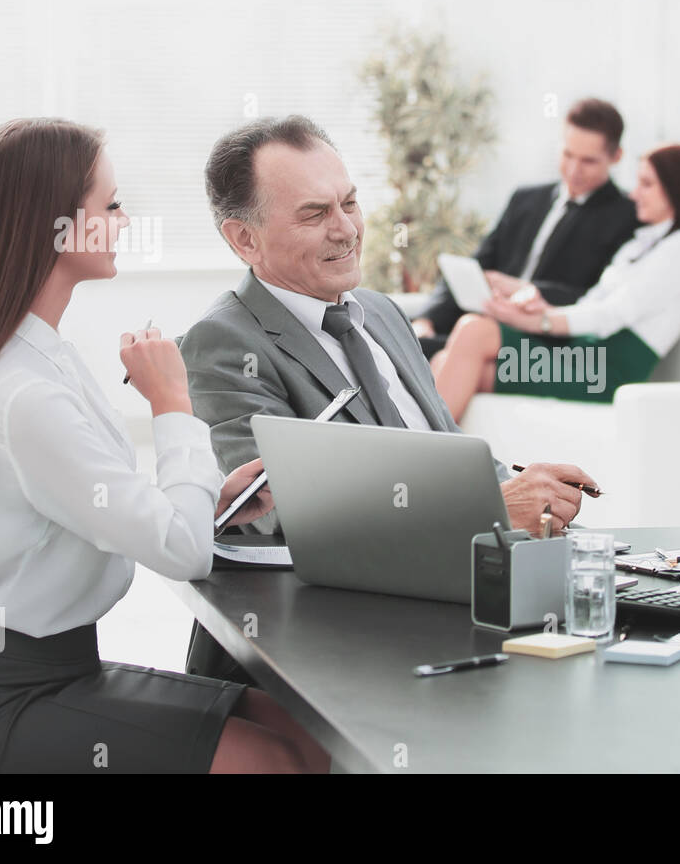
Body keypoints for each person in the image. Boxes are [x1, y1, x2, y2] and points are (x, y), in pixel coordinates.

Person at [0, 118, 329, 772]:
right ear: (59, 226)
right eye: (112, 204)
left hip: (57, 667)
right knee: (272, 762)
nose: (125, 220)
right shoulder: (25, 394)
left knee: (306, 737)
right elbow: (181, 554)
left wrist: (210, 500)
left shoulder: (43, 360)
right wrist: (172, 401)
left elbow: (108, 508)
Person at [179, 115, 597, 682]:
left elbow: (442, 448)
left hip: (448, 609)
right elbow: (279, 518)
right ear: (243, 238)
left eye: (349, 203)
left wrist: (530, 495)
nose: (346, 229)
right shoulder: (224, 342)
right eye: (314, 213)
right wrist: (493, 511)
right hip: (330, 650)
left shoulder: (380, 312)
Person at [430, 144, 680, 420]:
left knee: (474, 331)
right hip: (582, 354)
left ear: (676, 189)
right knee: (450, 359)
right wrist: (541, 310)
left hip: (603, 370)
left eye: (646, 184)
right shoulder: (642, 244)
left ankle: (423, 452)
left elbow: (611, 315)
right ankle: (427, 448)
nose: (635, 194)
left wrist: (539, 322)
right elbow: (592, 303)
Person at [411, 97, 639, 359]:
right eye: (567, 154)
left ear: (616, 156)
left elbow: (599, 299)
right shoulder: (527, 198)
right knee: (387, 335)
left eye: (588, 161)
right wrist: (427, 320)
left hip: (542, 343)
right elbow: (475, 268)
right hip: (480, 325)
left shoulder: (626, 217)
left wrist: (519, 288)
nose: (574, 170)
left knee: (405, 353)